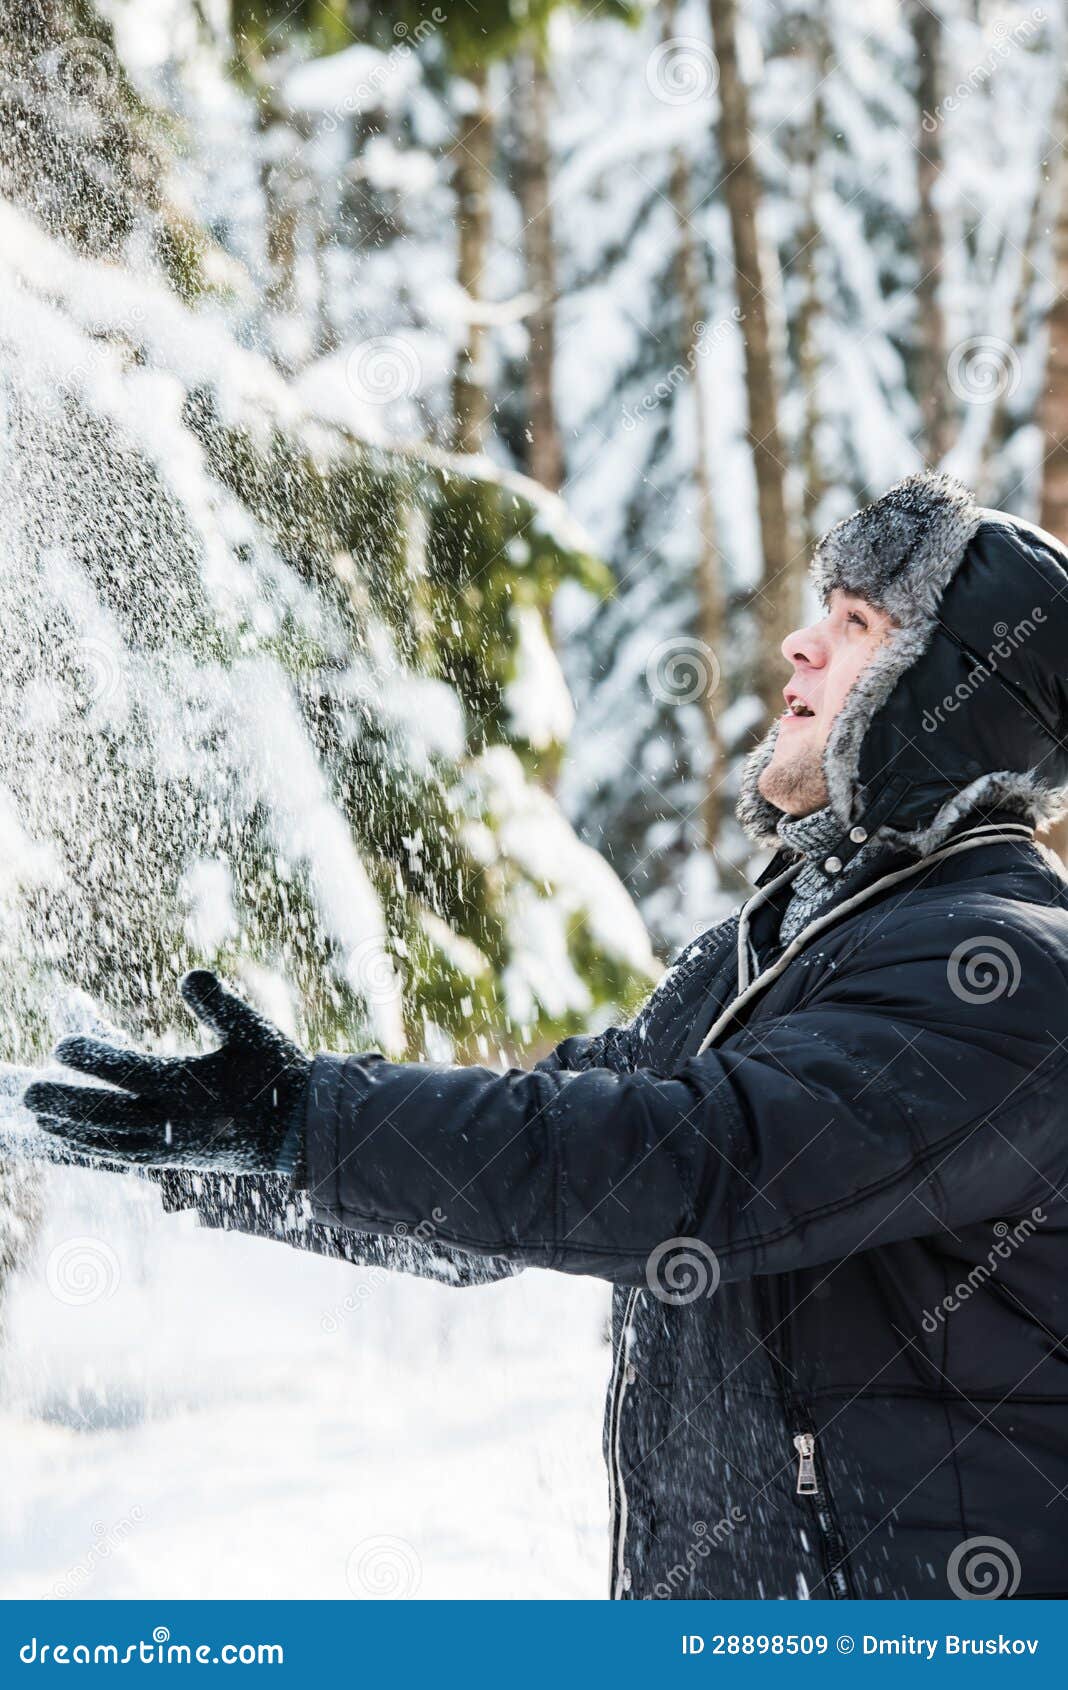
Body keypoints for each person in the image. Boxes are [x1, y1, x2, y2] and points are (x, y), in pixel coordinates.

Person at [24, 471, 1068, 1601]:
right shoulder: (773, 951)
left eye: (857, 624)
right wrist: (235, 1152)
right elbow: (534, 1174)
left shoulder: (1004, 973)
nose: (799, 647)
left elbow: (684, 1166)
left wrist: (303, 1120)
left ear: (959, 694)